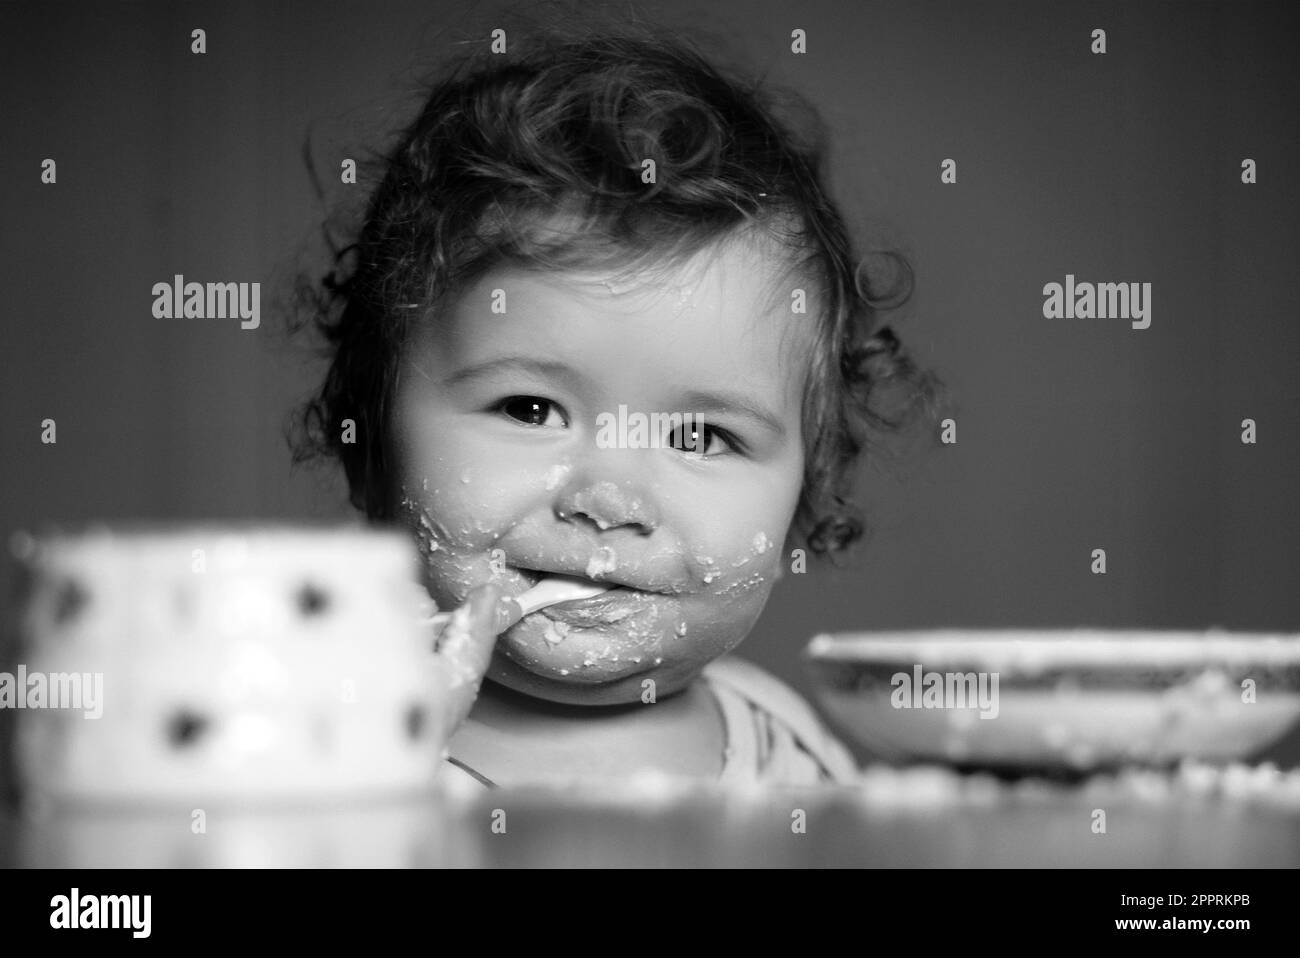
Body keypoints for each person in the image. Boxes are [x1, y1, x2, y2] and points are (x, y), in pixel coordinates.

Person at [291, 22, 941, 787]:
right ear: (369, 444)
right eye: (530, 410)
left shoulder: (794, 762)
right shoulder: (311, 751)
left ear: (806, 496)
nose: (608, 500)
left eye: (700, 435)